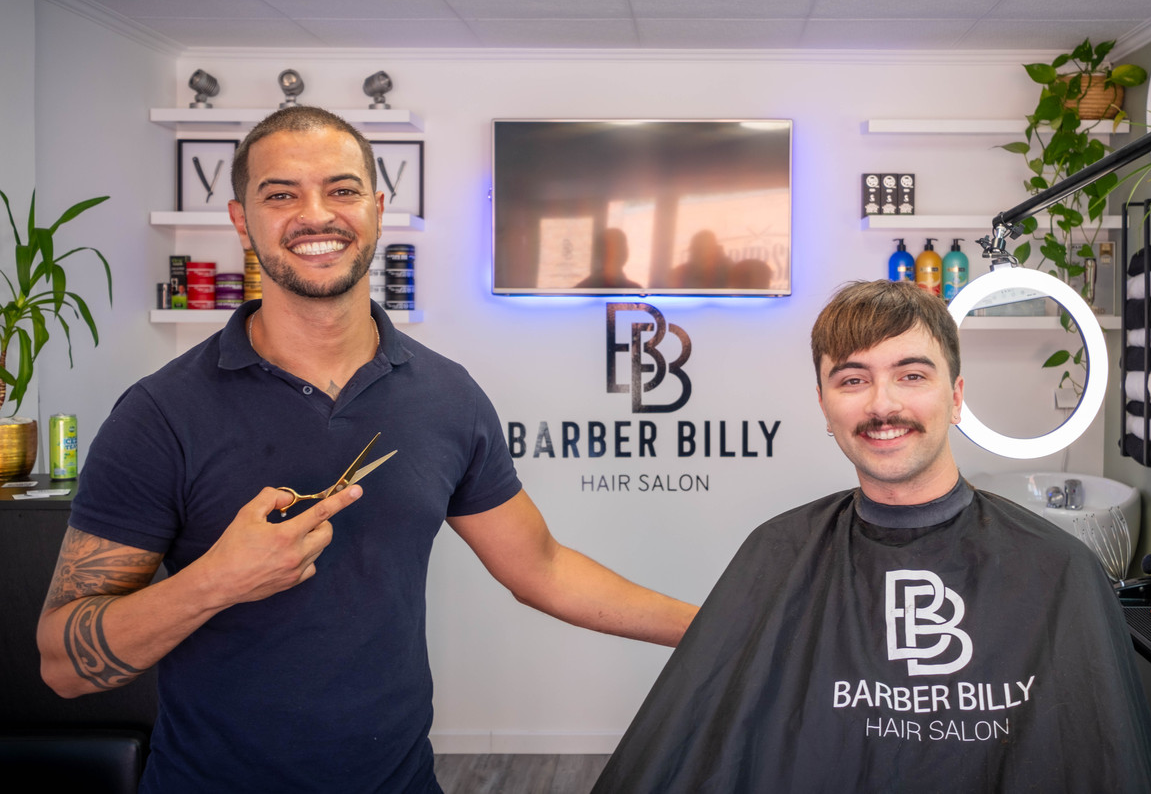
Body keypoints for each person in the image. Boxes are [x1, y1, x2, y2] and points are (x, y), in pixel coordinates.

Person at [36, 106, 698, 794]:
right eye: (281, 193)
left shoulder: (447, 395)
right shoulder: (160, 413)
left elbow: (543, 568)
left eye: (342, 190)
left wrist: (723, 628)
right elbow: (64, 663)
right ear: (242, 220)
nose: (315, 214)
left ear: (378, 210)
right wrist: (216, 581)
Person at [592, 280, 1151, 793]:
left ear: (957, 395)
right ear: (824, 404)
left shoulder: (1058, 568)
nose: (883, 404)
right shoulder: (777, 552)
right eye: (852, 379)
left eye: (911, 375)